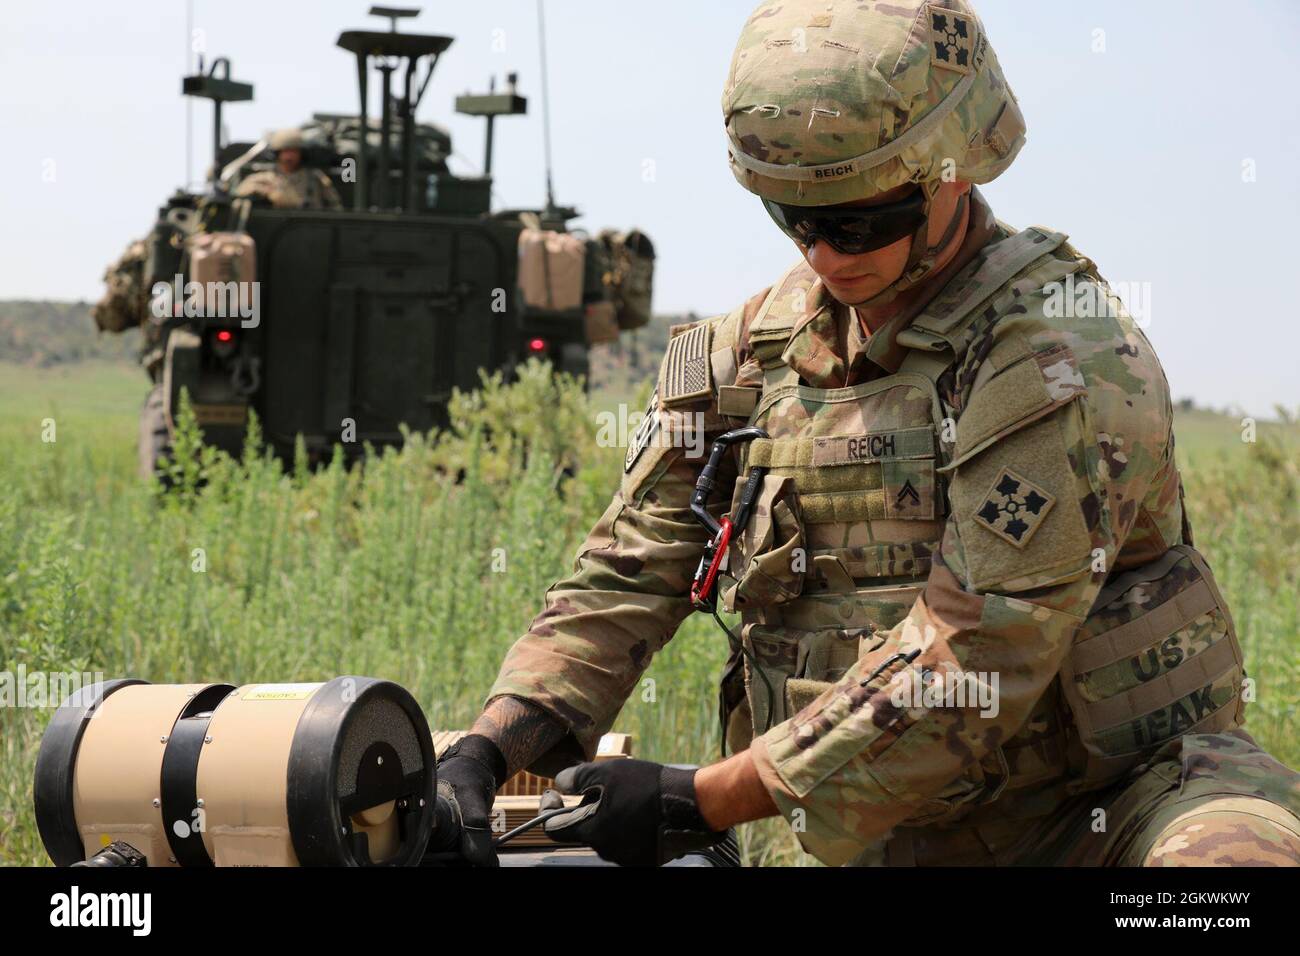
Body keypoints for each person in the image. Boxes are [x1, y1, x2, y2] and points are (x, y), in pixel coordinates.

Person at [435, 0, 1300, 867]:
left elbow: (979, 650)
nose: (824, 254)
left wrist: (700, 798)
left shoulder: (1058, 354)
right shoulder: (746, 356)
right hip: (904, 841)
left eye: (861, 220)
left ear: (954, 170)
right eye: (795, 219)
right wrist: (489, 747)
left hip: (1110, 815)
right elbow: (628, 571)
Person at [233, 128, 341, 210]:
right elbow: (238, 198)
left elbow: (335, 206)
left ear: (301, 153)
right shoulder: (264, 179)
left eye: (293, 151)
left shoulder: (315, 178)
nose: (289, 156)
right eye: (285, 151)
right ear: (277, 153)